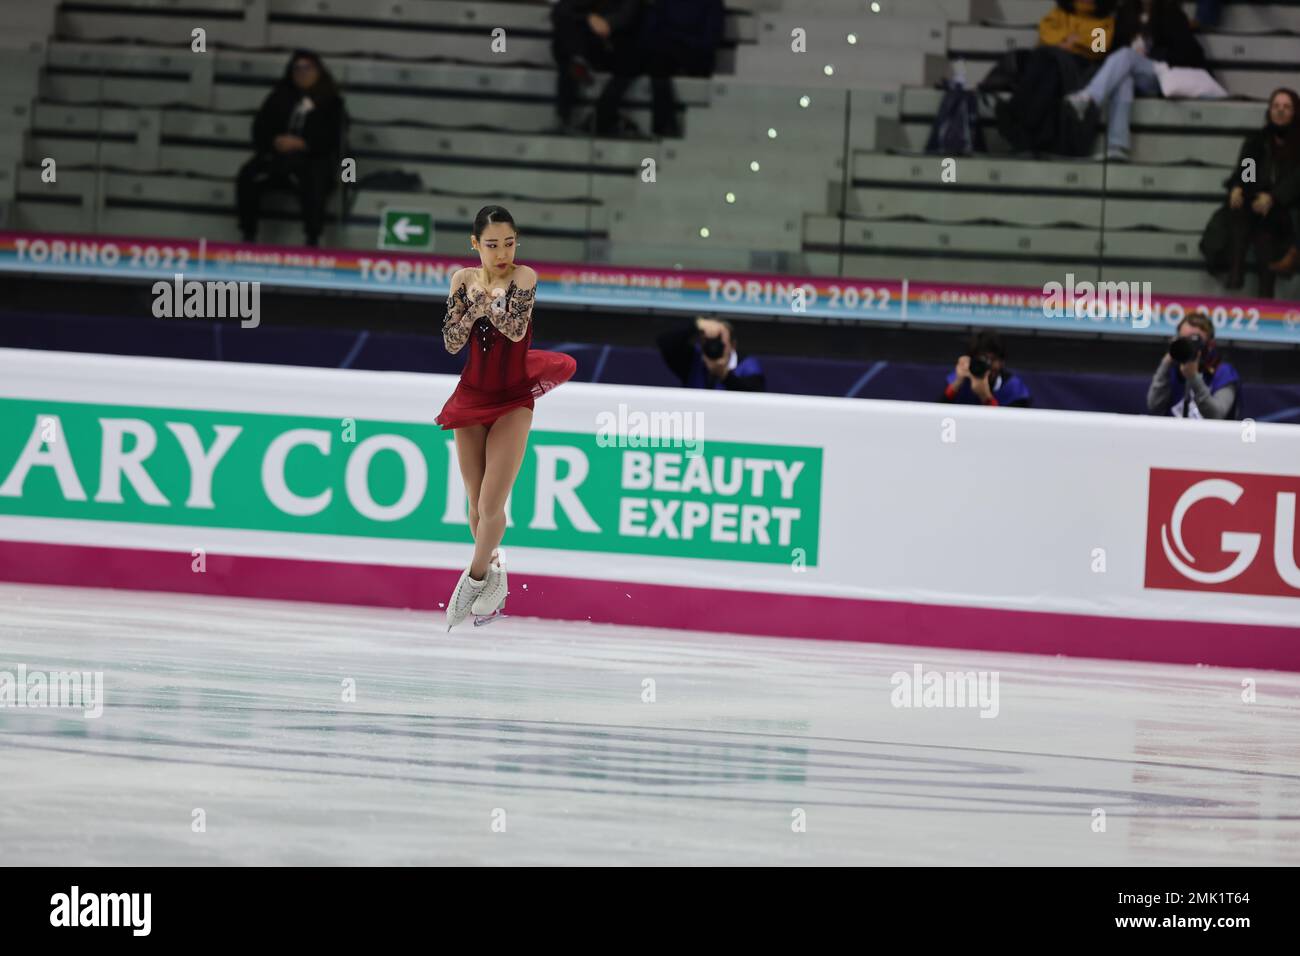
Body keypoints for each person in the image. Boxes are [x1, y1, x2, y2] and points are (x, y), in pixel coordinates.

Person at [437, 205, 577, 629]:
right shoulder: (461, 279)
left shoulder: (524, 277)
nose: (502, 253)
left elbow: (515, 329)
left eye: (509, 243)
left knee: (491, 502)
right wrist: (478, 303)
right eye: (492, 245)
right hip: (472, 395)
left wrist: (480, 304)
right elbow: (451, 339)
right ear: (475, 244)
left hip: (514, 397)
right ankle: (496, 572)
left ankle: (475, 578)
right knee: (474, 507)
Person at [1065, 0, 1205, 161]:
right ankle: (1117, 146)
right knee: (1124, 76)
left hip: (1162, 73)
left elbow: (1188, 51)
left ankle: (1089, 97)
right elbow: (1108, 49)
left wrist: (1149, 56)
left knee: (1126, 55)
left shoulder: (1172, 12)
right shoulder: (1125, 12)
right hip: (1135, 73)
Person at [236, 50, 345, 247]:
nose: (302, 73)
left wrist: (304, 144)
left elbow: (333, 138)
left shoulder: (332, 102)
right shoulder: (279, 96)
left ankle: (312, 238)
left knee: (315, 179)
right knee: (248, 175)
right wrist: (275, 141)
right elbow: (260, 128)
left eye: (308, 68)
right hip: (278, 158)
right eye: (297, 68)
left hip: (313, 159)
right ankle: (248, 234)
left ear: (319, 71)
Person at [1200, 88, 1300, 296]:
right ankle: (1236, 272)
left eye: (1286, 107)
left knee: (1268, 225)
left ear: (1295, 112)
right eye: (1276, 106)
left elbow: (1295, 182)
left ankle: (1265, 289)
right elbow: (1247, 175)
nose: (1280, 111)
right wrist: (1238, 188)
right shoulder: (1257, 141)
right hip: (1256, 206)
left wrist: (1273, 198)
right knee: (1239, 207)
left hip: (1287, 210)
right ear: (1269, 110)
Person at [996, 0, 1115, 156]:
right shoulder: (1058, 14)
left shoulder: (1103, 21)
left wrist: (1071, 43)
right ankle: (1031, 132)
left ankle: (1018, 118)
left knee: (1049, 63)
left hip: (1079, 66)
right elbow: (1046, 34)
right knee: (1046, 61)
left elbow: (1098, 48)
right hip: (1050, 60)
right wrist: (1072, 40)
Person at [550, 0, 646, 135]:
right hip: (589, 45)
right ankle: (578, 60)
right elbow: (560, 10)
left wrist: (605, 22)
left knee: (631, 61)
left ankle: (596, 117)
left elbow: (626, 16)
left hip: (617, 48)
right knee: (565, 34)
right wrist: (588, 18)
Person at [1146, 314, 1241, 419]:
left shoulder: (1224, 372)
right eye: (1183, 340)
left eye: (1194, 341)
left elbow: (1216, 415)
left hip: (1212, 434)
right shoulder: (1173, 367)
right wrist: (1167, 361)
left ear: (1210, 345)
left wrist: (1193, 377)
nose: (1188, 346)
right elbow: (1154, 406)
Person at [656, 316, 765, 391]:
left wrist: (724, 375)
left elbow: (755, 396)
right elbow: (665, 342)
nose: (714, 346)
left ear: (733, 345)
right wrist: (697, 324)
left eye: (719, 341)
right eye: (708, 341)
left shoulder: (747, 366)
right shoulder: (693, 360)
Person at [940, 331, 1032, 407]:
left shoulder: (1014, 389)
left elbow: (1011, 426)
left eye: (992, 360)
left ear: (1002, 362)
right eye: (981, 359)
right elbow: (937, 415)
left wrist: (986, 397)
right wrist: (955, 385)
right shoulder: (959, 380)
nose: (987, 366)